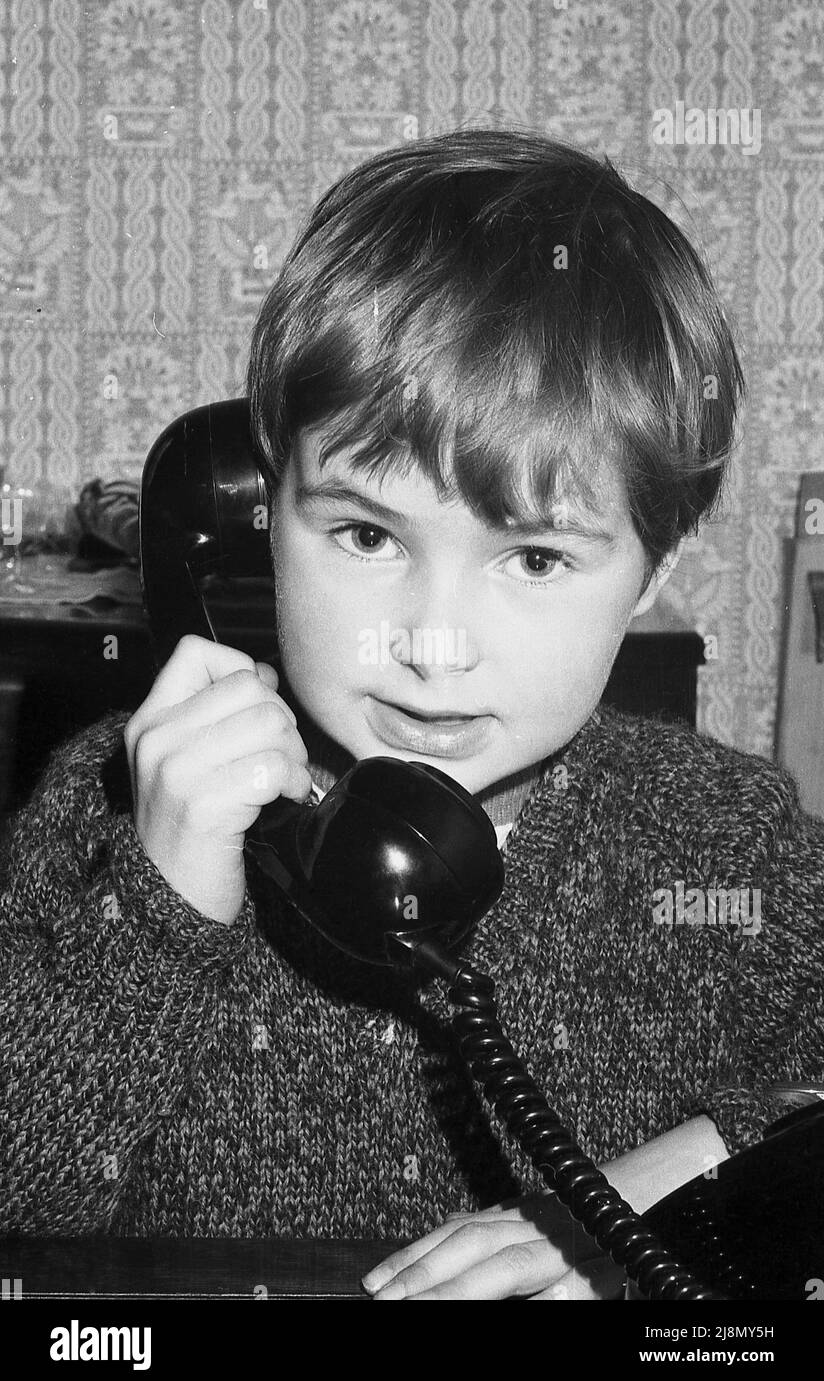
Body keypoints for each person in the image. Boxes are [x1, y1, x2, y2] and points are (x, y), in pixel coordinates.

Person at [1, 128, 822, 1302]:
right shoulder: (113, 799)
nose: (432, 646)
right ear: (264, 509)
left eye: (533, 559)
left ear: (645, 577)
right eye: (366, 534)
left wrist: (656, 1193)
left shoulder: (722, 838)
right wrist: (157, 904)